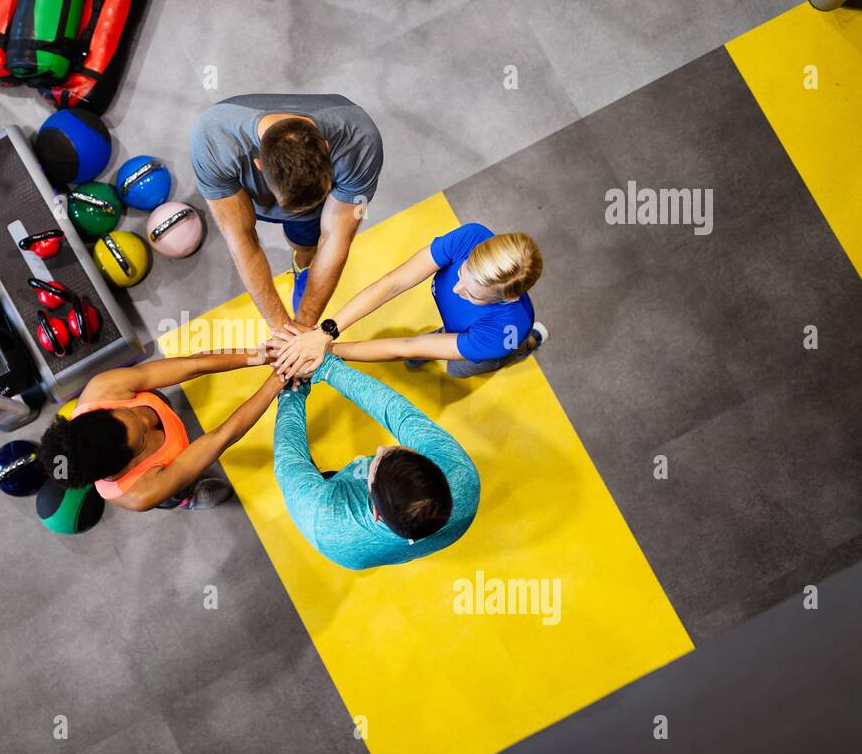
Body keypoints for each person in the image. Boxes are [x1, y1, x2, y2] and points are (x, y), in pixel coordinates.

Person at [189, 93, 383, 327]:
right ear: (259, 164)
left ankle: (303, 265)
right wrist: (281, 329)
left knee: (304, 244)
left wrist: (304, 322)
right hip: (245, 195)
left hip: (318, 211)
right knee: (246, 230)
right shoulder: (213, 139)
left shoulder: (361, 141)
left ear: (327, 147)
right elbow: (241, 237)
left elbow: (337, 237)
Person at [272, 352, 479, 570]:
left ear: (376, 512)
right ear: (435, 467)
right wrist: (326, 366)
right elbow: (396, 412)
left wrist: (292, 392)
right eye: (397, 451)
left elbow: (289, 454)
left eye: (375, 465)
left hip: (342, 532)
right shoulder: (461, 474)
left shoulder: (323, 519)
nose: (380, 449)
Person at [270, 222, 548, 381]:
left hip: (491, 345)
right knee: (432, 343)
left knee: (456, 370)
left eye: (472, 294)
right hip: (460, 330)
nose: (456, 289)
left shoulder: (500, 334)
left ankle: (523, 347)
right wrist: (325, 333)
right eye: (462, 273)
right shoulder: (470, 237)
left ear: (507, 297)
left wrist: (327, 351)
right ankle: (441, 341)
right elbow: (394, 283)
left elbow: (407, 346)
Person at [38, 349, 283, 512]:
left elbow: (194, 365)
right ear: (129, 462)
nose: (147, 419)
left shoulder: (102, 389)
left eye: (131, 413)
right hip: (163, 482)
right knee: (175, 493)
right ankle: (187, 497)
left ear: (102, 410)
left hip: (152, 406)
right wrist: (277, 380)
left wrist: (263, 355)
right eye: (142, 436)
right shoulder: (141, 492)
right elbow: (221, 437)